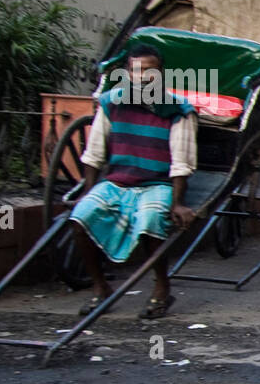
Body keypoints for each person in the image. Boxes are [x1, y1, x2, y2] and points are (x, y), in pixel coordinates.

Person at [70, 42, 197, 318]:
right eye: (135, 70)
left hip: (158, 183)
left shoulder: (177, 110)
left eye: (149, 71)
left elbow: (181, 162)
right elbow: (94, 154)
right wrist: (88, 193)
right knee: (81, 216)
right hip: (118, 181)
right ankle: (101, 287)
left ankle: (162, 286)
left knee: (152, 221)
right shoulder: (112, 102)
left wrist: (177, 203)